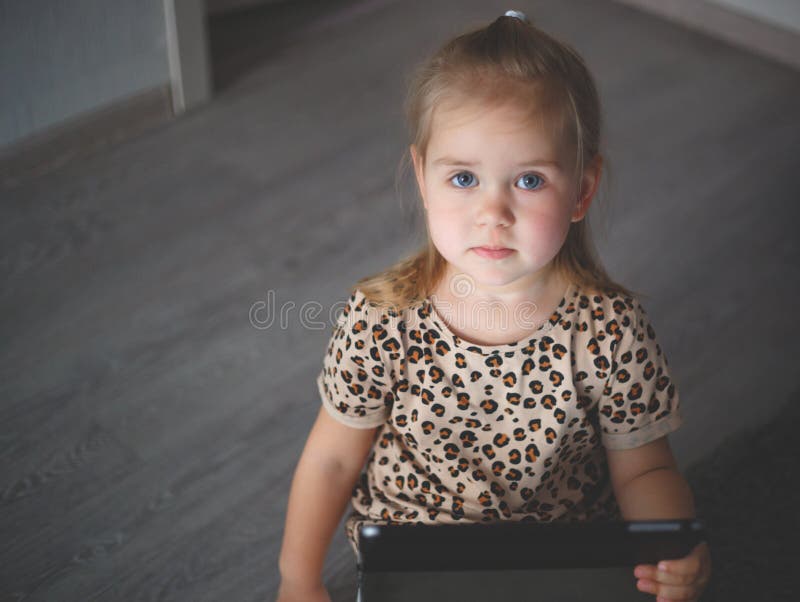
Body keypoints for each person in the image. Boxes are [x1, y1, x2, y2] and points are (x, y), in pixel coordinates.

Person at [277, 9, 711, 602]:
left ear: (582, 190)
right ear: (423, 178)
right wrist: (297, 580)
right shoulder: (381, 319)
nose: (493, 212)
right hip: (416, 555)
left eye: (528, 181)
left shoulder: (611, 331)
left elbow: (644, 468)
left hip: (561, 558)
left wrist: (672, 546)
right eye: (463, 179)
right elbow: (330, 460)